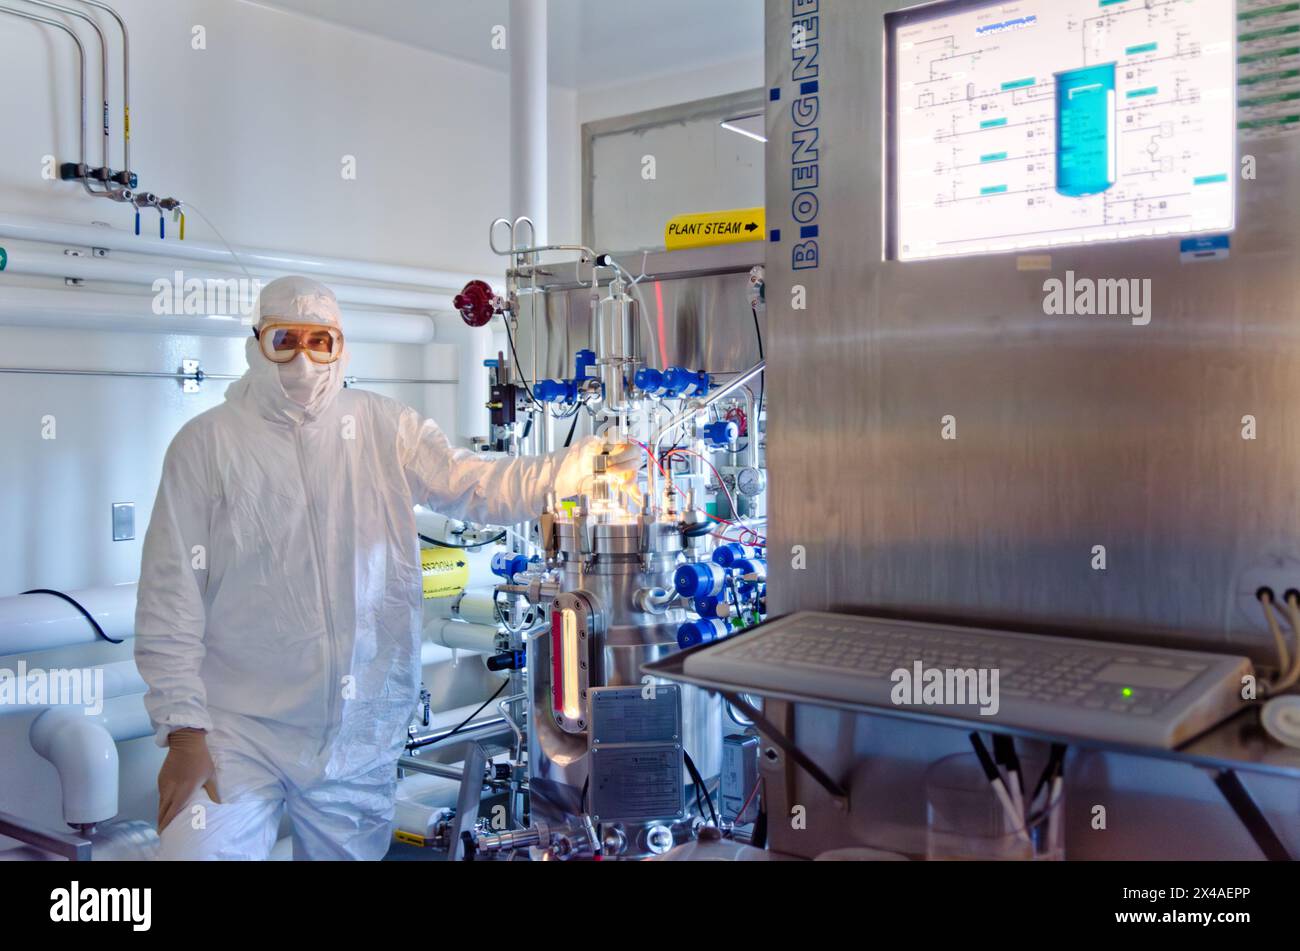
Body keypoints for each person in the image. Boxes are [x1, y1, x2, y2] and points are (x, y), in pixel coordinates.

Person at [136, 275, 630, 860]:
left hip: (359, 727)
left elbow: (472, 483)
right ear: (256, 341)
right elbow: (171, 594)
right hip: (239, 730)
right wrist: (184, 731)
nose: (302, 357)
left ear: (340, 346)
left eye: (319, 341)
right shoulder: (207, 443)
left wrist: (569, 471)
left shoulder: (382, 426)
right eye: (283, 340)